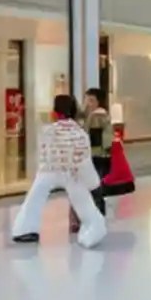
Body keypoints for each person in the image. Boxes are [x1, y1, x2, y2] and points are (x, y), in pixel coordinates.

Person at [11, 95, 107, 248]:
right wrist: (93, 184)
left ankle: (24, 229)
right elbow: (84, 161)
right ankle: (94, 227)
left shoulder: (47, 131)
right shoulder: (80, 133)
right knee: (82, 200)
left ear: (54, 112)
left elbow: (43, 155)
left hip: (48, 171)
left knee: (35, 197)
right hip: (72, 173)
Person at [74, 88, 111, 230]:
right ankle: (98, 213)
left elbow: (94, 138)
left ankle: (96, 214)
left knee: (94, 185)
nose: (88, 103)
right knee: (96, 185)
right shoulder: (97, 115)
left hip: (96, 155)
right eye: (86, 99)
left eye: (91, 100)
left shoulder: (97, 116)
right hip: (99, 155)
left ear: (98, 102)